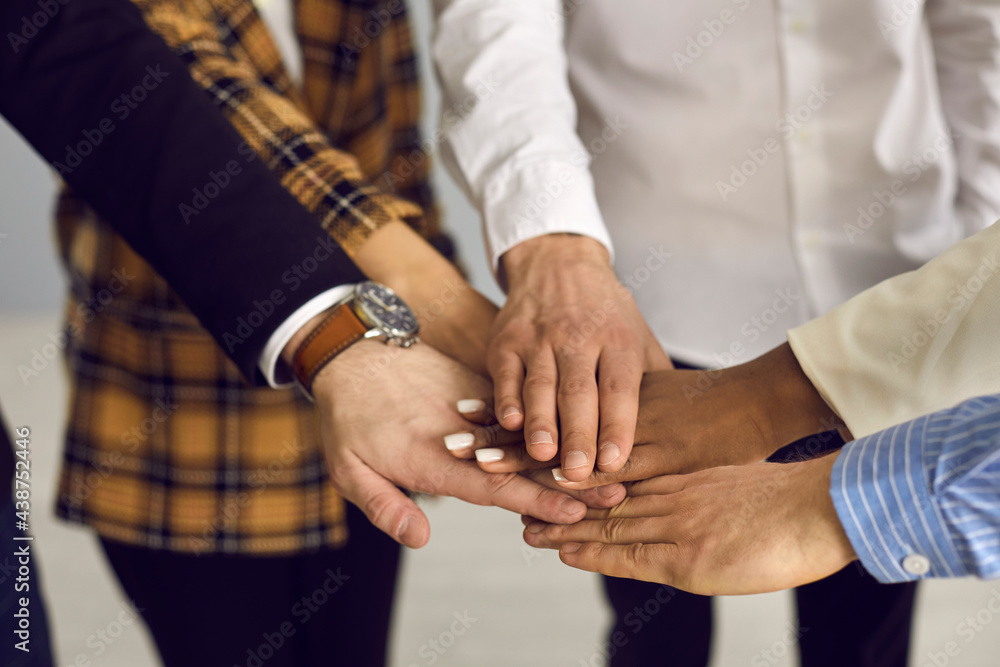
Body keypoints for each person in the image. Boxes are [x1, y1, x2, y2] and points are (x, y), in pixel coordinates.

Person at [2, 0, 618, 664]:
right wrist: (445, 304)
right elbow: (150, 77)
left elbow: (399, 135)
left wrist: (484, 291)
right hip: (184, 412)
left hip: (387, 390)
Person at [431, 0, 1000, 664]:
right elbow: (498, 18)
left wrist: (974, 274)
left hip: (891, 277)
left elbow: (979, 26)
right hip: (642, 301)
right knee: (651, 610)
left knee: (862, 630)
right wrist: (552, 242)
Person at [459, 216, 1000, 592]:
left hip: (886, 276)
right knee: (652, 566)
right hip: (672, 305)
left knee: (856, 620)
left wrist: (836, 504)